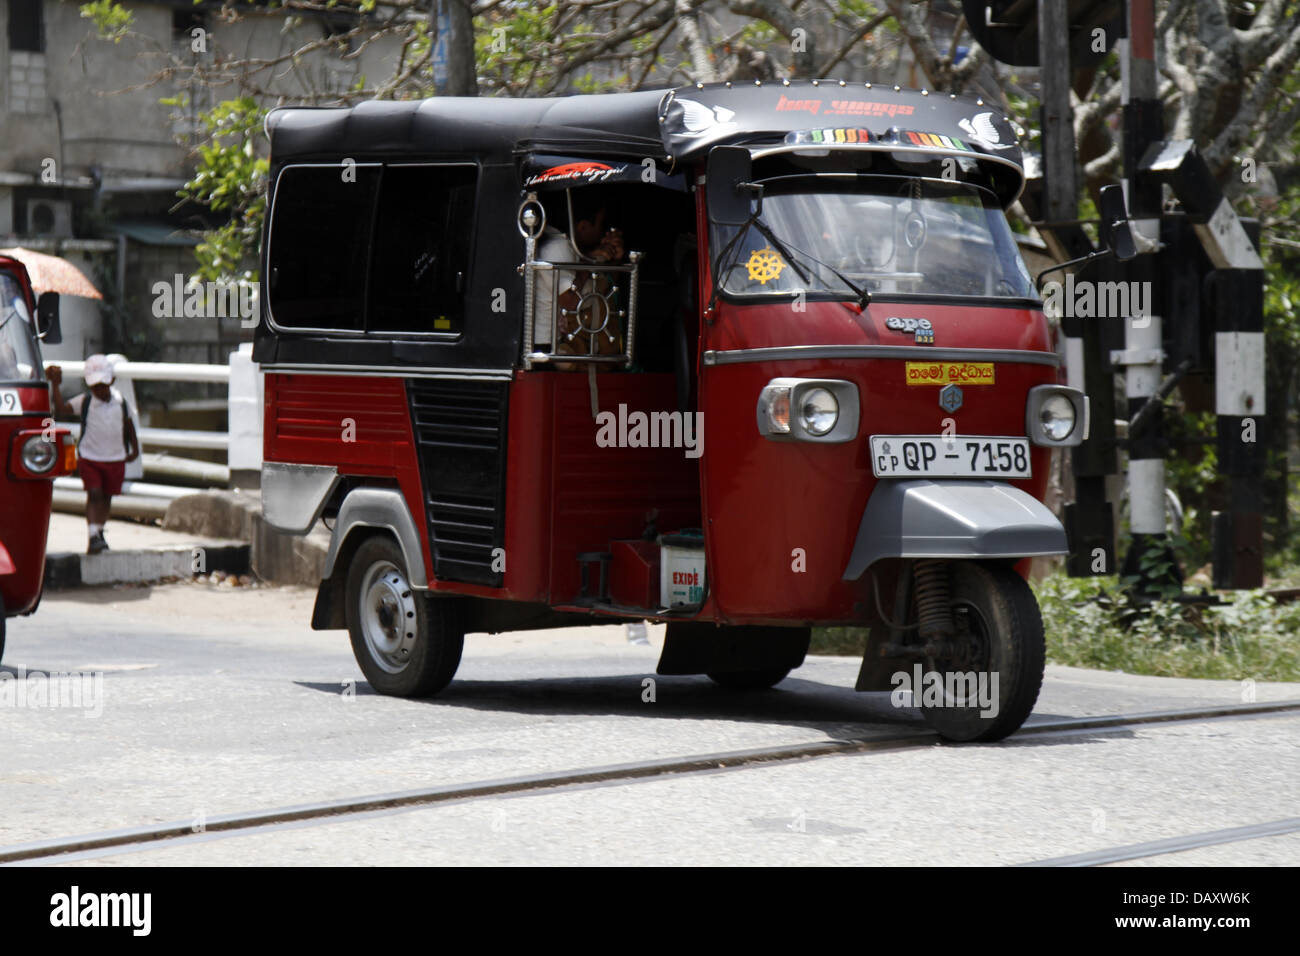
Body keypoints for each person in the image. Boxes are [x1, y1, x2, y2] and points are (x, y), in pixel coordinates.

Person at [46, 355, 140, 555]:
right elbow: (61, 409)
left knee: (106, 497)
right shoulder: (85, 402)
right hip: (90, 457)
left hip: (115, 457)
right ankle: (92, 534)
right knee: (94, 494)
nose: (100, 390)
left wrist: (134, 450)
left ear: (111, 381)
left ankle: (98, 532)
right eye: (95, 386)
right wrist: (55, 384)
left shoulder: (120, 402)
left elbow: (129, 425)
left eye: (103, 385)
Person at [531, 191, 627, 362]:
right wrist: (591, 262)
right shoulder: (558, 247)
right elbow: (570, 301)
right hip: (550, 348)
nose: (602, 232)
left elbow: (607, 290)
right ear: (582, 226)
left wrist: (614, 259)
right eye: (600, 225)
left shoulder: (572, 249)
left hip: (566, 345)